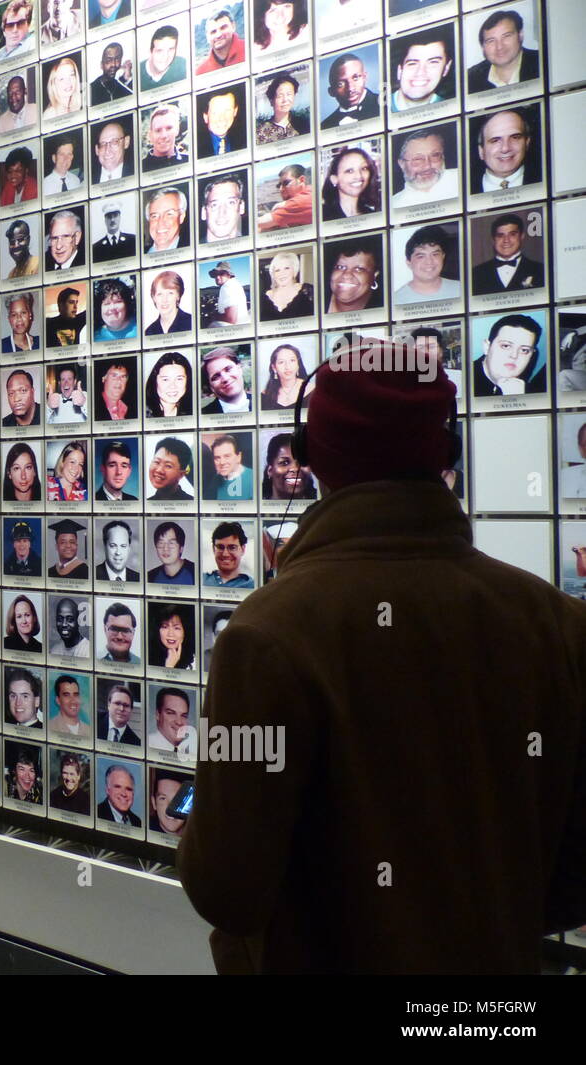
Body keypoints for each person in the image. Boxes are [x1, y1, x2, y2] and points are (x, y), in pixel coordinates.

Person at [181, 345, 586, 973]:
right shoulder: (558, 624)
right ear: (445, 456)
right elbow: (570, 884)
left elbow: (225, 886)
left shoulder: (265, 636)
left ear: (310, 454)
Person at [472, 312, 545, 397]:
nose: (514, 356)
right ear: (487, 347)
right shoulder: (462, 382)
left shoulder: (531, 392)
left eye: (524, 350)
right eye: (506, 346)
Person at [467, 9, 540, 94]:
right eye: (491, 40)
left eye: (506, 36)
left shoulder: (543, 62)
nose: (499, 47)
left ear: (520, 35)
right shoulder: (470, 79)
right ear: (483, 47)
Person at [470, 214, 545, 296]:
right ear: (493, 240)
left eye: (512, 234)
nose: (506, 240)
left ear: (521, 236)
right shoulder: (476, 274)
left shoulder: (540, 270)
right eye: (500, 235)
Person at [472, 108, 538, 194]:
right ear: (481, 151)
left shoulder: (546, 180)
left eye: (515, 137)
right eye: (495, 140)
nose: (505, 148)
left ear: (527, 143)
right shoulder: (463, 190)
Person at [391, 126, 459, 208]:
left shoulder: (463, 179)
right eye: (418, 159)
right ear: (401, 164)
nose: (427, 166)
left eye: (435, 156)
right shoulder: (394, 205)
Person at [321, 146, 380, 221]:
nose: (359, 176)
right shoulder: (321, 216)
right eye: (350, 171)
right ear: (334, 179)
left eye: (364, 169)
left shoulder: (374, 216)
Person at [259, 251, 315, 321]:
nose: (282, 273)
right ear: (273, 274)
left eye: (286, 268)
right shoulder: (263, 298)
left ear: (294, 270)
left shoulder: (308, 291)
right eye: (277, 270)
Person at [201, 346, 251, 415]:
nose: (225, 378)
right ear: (211, 387)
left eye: (228, 369)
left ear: (239, 368)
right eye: (216, 376)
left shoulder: (265, 402)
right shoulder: (203, 415)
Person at [196, 8, 245, 74]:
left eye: (223, 28)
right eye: (213, 32)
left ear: (233, 26)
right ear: (207, 37)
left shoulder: (251, 49)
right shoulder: (201, 72)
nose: (218, 35)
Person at [142, 23, 186, 90]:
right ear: (150, 52)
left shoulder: (183, 65)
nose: (165, 57)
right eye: (159, 51)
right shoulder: (137, 73)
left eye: (171, 49)